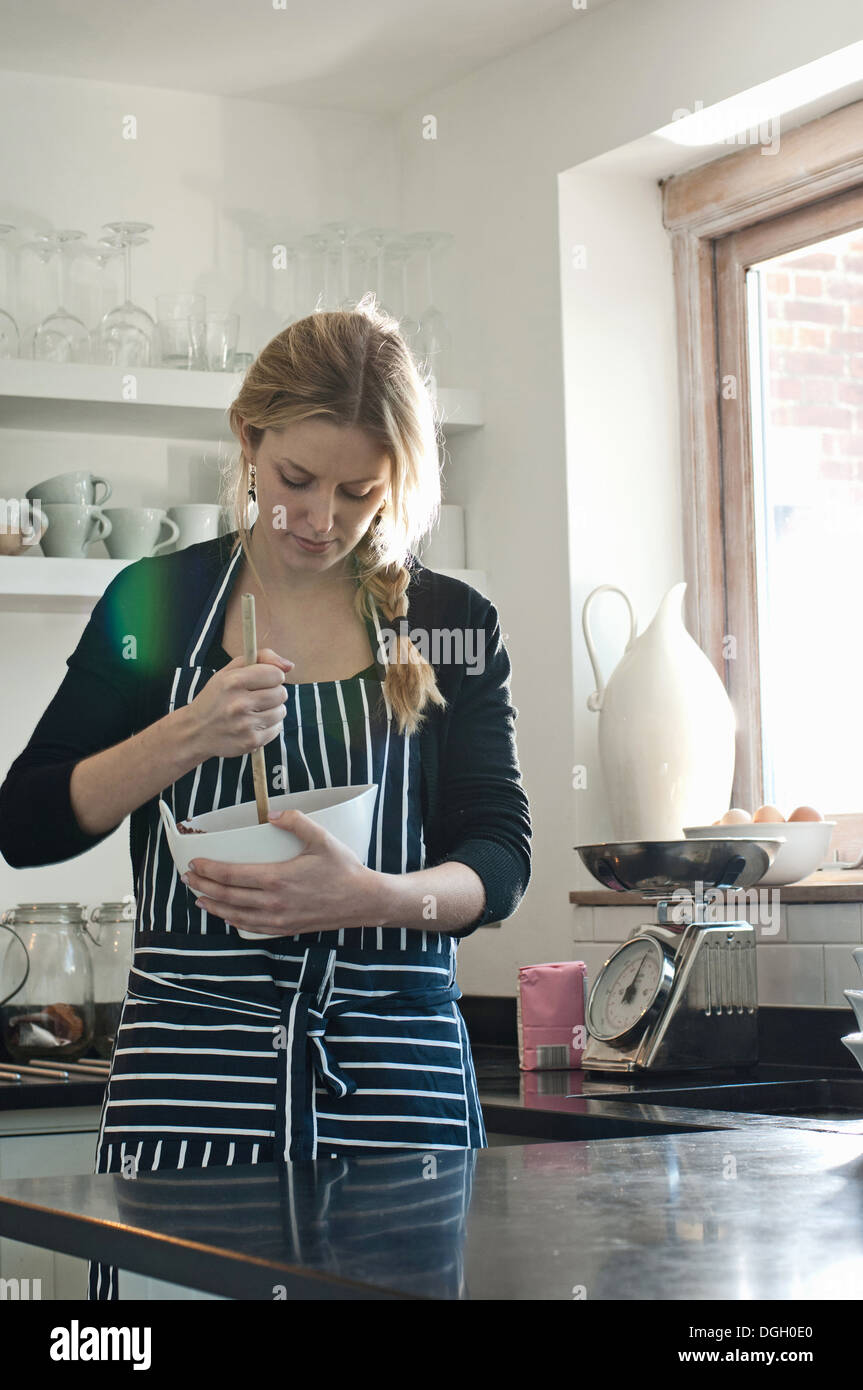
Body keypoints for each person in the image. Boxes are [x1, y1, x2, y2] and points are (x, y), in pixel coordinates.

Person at [0, 297, 532, 1300]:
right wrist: (180, 736)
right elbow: (23, 822)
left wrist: (372, 896)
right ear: (248, 440)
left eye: (357, 492)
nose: (320, 518)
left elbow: (497, 862)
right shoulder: (152, 606)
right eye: (294, 479)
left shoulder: (452, 621)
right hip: (189, 1087)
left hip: (393, 1096)